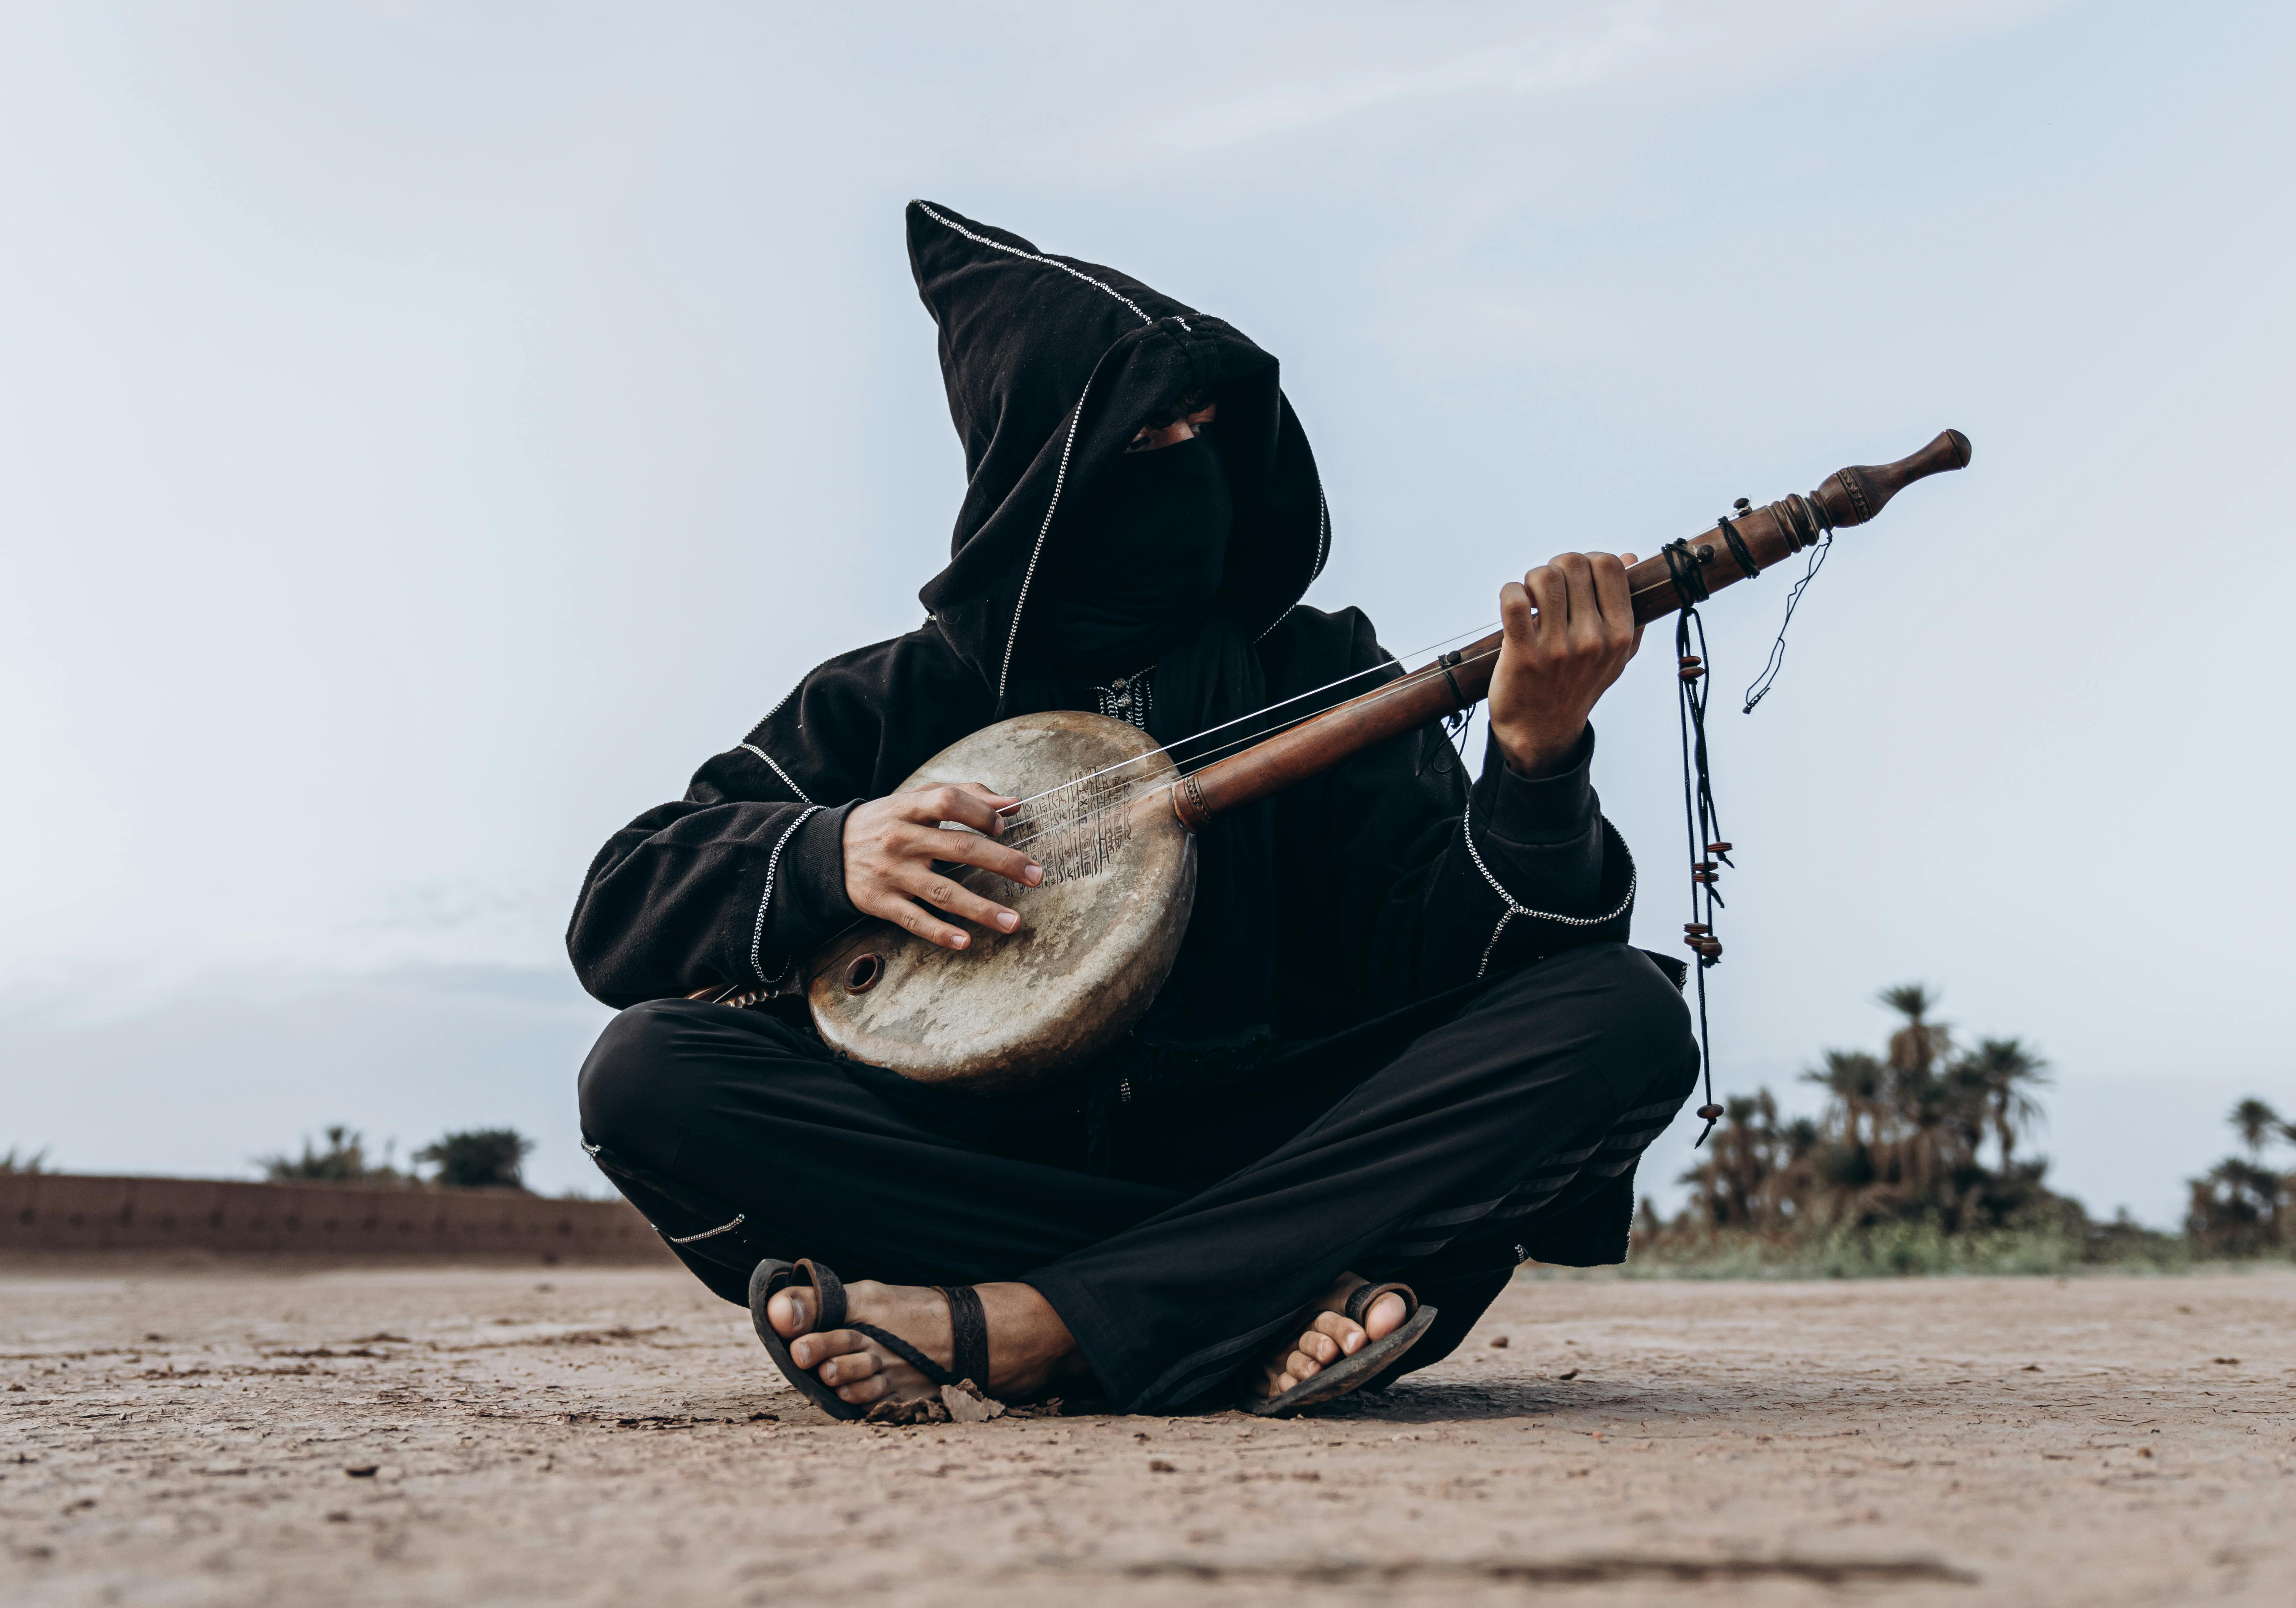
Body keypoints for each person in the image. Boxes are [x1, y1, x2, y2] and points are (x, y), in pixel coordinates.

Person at [569, 201, 1696, 1420]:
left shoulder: (1317, 671)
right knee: (648, 1074)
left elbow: (1444, 967)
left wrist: (1537, 763)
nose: (1190, 460)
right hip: (995, 1168)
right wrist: (833, 852)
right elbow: (621, 903)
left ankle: (1027, 1324)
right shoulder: (892, 701)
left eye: (1207, 429)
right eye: (1147, 434)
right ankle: (1236, 1300)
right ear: (1040, 469)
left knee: (1620, 1014)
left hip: (1279, 1144)